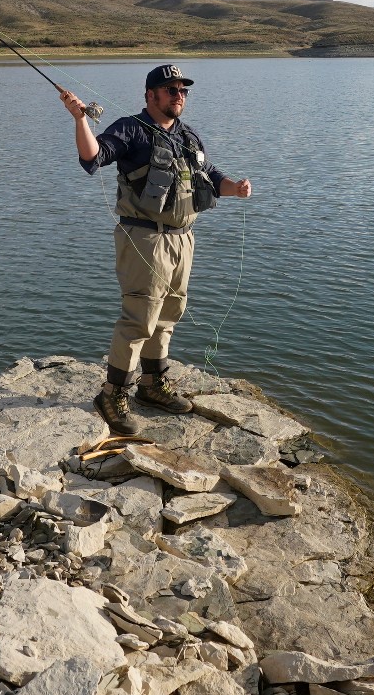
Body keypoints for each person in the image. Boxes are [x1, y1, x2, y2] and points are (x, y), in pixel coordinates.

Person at [59, 64, 252, 435]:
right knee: (140, 317)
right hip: (144, 237)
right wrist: (79, 119)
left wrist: (235, 188)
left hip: (183, 237)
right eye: (171, 89)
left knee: (169, 312)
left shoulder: (188, 135)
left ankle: (152, 385)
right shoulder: (130, 128)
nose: (179, 95)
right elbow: (93, 157)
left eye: (183, 90)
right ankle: (112, 394)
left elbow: (210, 175)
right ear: (151, 95)